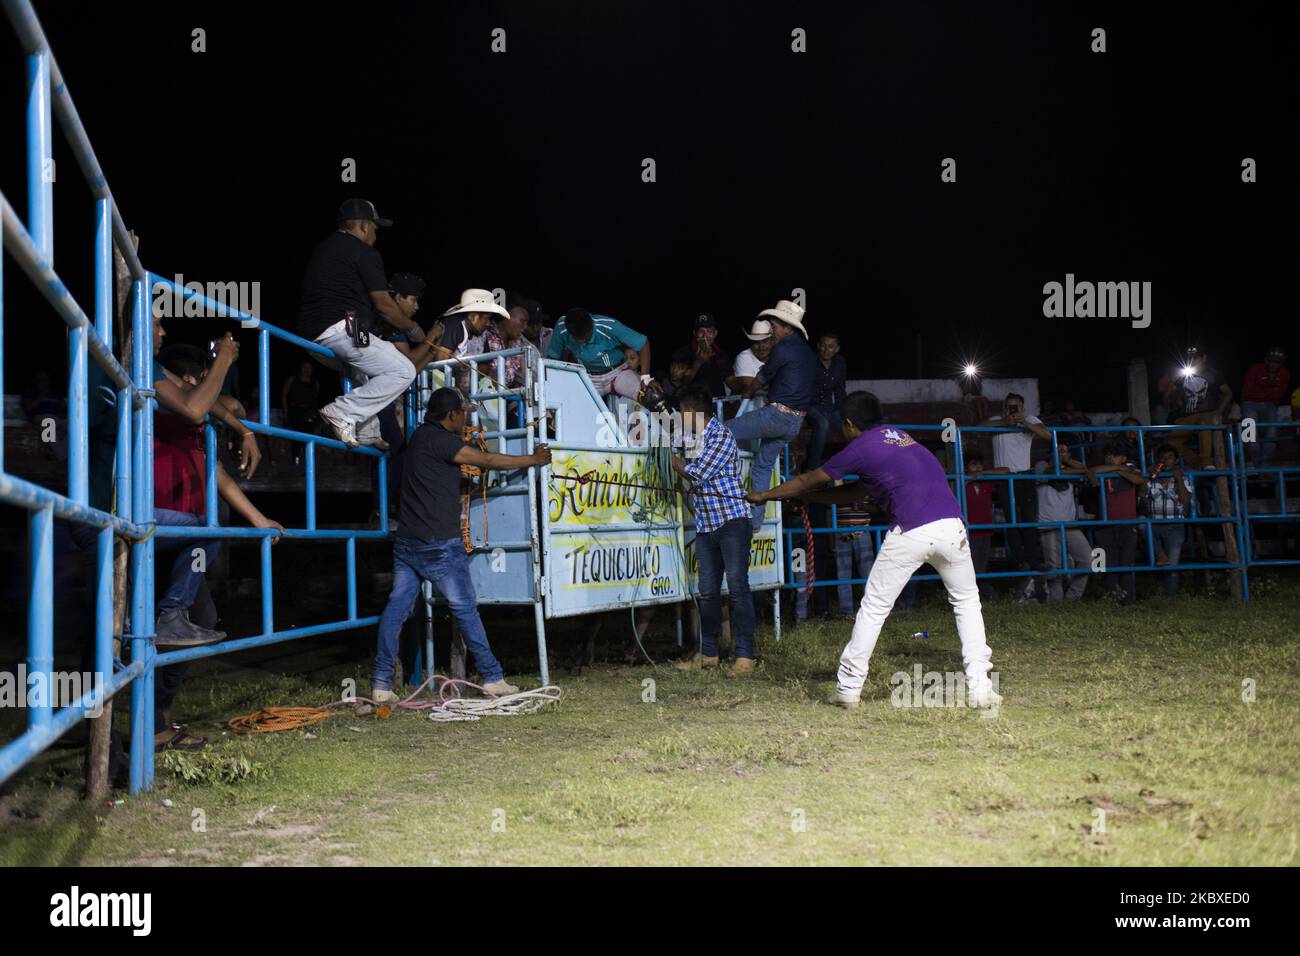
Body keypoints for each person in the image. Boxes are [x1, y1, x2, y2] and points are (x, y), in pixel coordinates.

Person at [748, 391, 1002, 709]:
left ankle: (849, 689)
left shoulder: (861, 446)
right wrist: (811, 500)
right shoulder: (901, 438)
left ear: (851, 424)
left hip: (910, 530)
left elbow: (807, 480)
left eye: (843, 426)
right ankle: (980, 688)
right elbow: (857, 490)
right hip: (952, 526)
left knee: (874, 608)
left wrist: (764, 496)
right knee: (966, 603)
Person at [371, 387, 552, 702]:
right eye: (464, 412)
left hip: (408, 542)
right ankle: (493, 677)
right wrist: (533, 460)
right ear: (452, 415)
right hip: (439, 543)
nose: (466, 416)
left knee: (396, 609)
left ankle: (381, 683)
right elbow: (488, 459)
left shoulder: (419, 438)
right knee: (466, 609)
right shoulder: (444, 442)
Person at [299, 198, 421, 448]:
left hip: (321, 331)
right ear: (364, 226)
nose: (376, 235)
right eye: (375, 228)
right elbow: (384, 305)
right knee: (404, 370)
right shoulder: (365, 252)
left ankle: (367, 430)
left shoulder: (322, 248)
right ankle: (341, 411)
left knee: (369, 363)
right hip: (338, 329)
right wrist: (413, 329)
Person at [669, 385, 756, 673]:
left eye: (682, 413)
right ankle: (708, 655)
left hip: (732, 520)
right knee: (707, 592)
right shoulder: (691, 436)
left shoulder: (720, 436)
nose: (680, 418)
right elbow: (667, 437)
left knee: (737, 587)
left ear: (694, 413)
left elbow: (697, 473)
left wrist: (670, 460)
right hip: (707, 523)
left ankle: (745, 656)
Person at [728, 299, 817, 531]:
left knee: (722, 431)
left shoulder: (784, 348)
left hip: (776, 416)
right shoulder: (807, 352)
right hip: (795, 423)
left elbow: (761, 378)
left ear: (787, 327)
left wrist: (746, 392)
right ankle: (755, 523)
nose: (772, 331)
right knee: (762, 466)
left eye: (775, 327)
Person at [979, 393, 1050, 601]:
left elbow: (1048, 436)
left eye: (1016, 407)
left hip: (1025, 475)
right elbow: (976, 428)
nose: (1012, 411)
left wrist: (1024, 422)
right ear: (1003, 408)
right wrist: (1005, 422)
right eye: (1009, 407)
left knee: (1028, 519)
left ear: (1022, 407)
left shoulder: (1030, 420)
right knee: (1012, 520)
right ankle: (1020, 561)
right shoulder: (996, 421)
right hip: (1004, 476)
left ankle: (1033, 561)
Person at [547, 308, 652, 402]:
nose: (583, 341)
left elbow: (643, 344)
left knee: (651, 396)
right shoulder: (562, 327)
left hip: (618, 373)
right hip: (588, 378)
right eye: (578, 338)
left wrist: (645, 378)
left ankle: (667, 422)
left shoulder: (609, 326)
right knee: (563, 404)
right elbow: (552, 358)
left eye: (586, 336)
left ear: (592, 324)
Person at [1034, 445, 1095, 602]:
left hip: (1069, 524)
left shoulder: (1071, 468)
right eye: (1058, 450)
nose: (1062, 453)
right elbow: (1051, 472)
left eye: (1065, 451)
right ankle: (1055, 601)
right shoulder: (1041, 465)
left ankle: (1072, 597)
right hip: (1048, 524)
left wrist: (1069, 462)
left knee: (1089, 559)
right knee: (1054, 567)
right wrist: (1081, 470)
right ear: (1050, 453)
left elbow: (1085, 470)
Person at [1091, 441, 1149, 605]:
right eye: (1108, 455)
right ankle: (1111, 599)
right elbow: (1092, 471)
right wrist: (1118, 468)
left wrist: (1120, 470)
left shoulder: (1131, 467)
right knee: (1105, 564)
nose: (1110, 458)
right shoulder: (1110, 469)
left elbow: (1139, 480)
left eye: (1114, 456)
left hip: (1127, 523)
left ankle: (1128, 601)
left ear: (1123, 458)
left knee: (1126, 564)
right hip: (1104, 524)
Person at [1145, 443, 1194, 596]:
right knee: (1141, 524)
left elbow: (1186, 501)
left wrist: (1178, 480)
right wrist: (1147, 476)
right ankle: (1160, 553)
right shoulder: (1152, 478)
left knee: (1173, 567)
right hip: (1154, 524)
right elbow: (1142, 499)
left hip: (1175, 525)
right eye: (1162, 458)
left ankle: (1170, 599)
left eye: (1169, 458)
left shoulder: (1184, 477)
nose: (1166, 461)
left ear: (1176, 460)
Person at [1172, 346, 1232, 467]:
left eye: (1195, 357)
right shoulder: (1183, 375)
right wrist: (1173, 382)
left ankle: (1206, 462)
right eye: (1189, 358)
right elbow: (1172, 397)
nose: (1192, 360)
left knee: (1204, 423)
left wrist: (1219, 411)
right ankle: (1196, 460)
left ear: (1203, 358)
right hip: (1189, 415)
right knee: (1171, 441)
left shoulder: (1214, 373)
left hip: (1208, 413)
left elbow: (1228, 392)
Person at [962, 449, 1002, 602]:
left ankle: (981, 594)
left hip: (985, 531)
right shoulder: (961, 483)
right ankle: (982, 593)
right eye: (973, 465)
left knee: (982, 565)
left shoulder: (986, 481)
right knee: (971, 567)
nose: (978, 468)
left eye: (980, 465)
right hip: (968, 532)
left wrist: (983, 473)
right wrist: (968, 477)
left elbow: (1005, 471)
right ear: (966, 466)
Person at [1241, 346, 1290, 470]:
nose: (1274, 364)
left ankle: (1264, 467)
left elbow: (1280, 393)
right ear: (1266, 360)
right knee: (1249, 436)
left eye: (1277, 362)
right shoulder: (1255, 369)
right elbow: (1247, 392)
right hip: (1249, 403)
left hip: (1271, 405)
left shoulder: (1284, 373)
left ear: (1282, 362)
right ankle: (1260, 466)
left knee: (1272, 434)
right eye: (1272, 361)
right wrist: (1270, 390)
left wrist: (1262, 390)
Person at [806, 331, 847, 468]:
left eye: (830, 346)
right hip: (809, 407)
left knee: (850, 428)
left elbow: (840, 390)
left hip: (830, 408)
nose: (826, 350)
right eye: (823, 346)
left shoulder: (840, 363)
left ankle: (848, 466)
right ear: (818, 346)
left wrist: (844, 413)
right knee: (823, 424)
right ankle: (812, 469)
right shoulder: (810, 360)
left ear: (836, 349)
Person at [726, 319, 774, 395]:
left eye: (765, 341)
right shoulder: (743, 357)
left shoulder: (776, 356)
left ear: (772, 341)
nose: (761, 347)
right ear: (751, 343)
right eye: (756, 342)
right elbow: (748, 383)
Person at [281, 360, 321, 439]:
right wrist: (285, 412)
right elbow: (283, 396)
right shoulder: (292, 379)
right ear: (301, 368)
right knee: (295, 439)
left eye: (309, 368)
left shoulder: (315, 384)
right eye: (305, 367)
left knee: (308, 438)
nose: (307, 370)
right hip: (295, 412)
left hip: (309, 414)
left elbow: (315, 400)